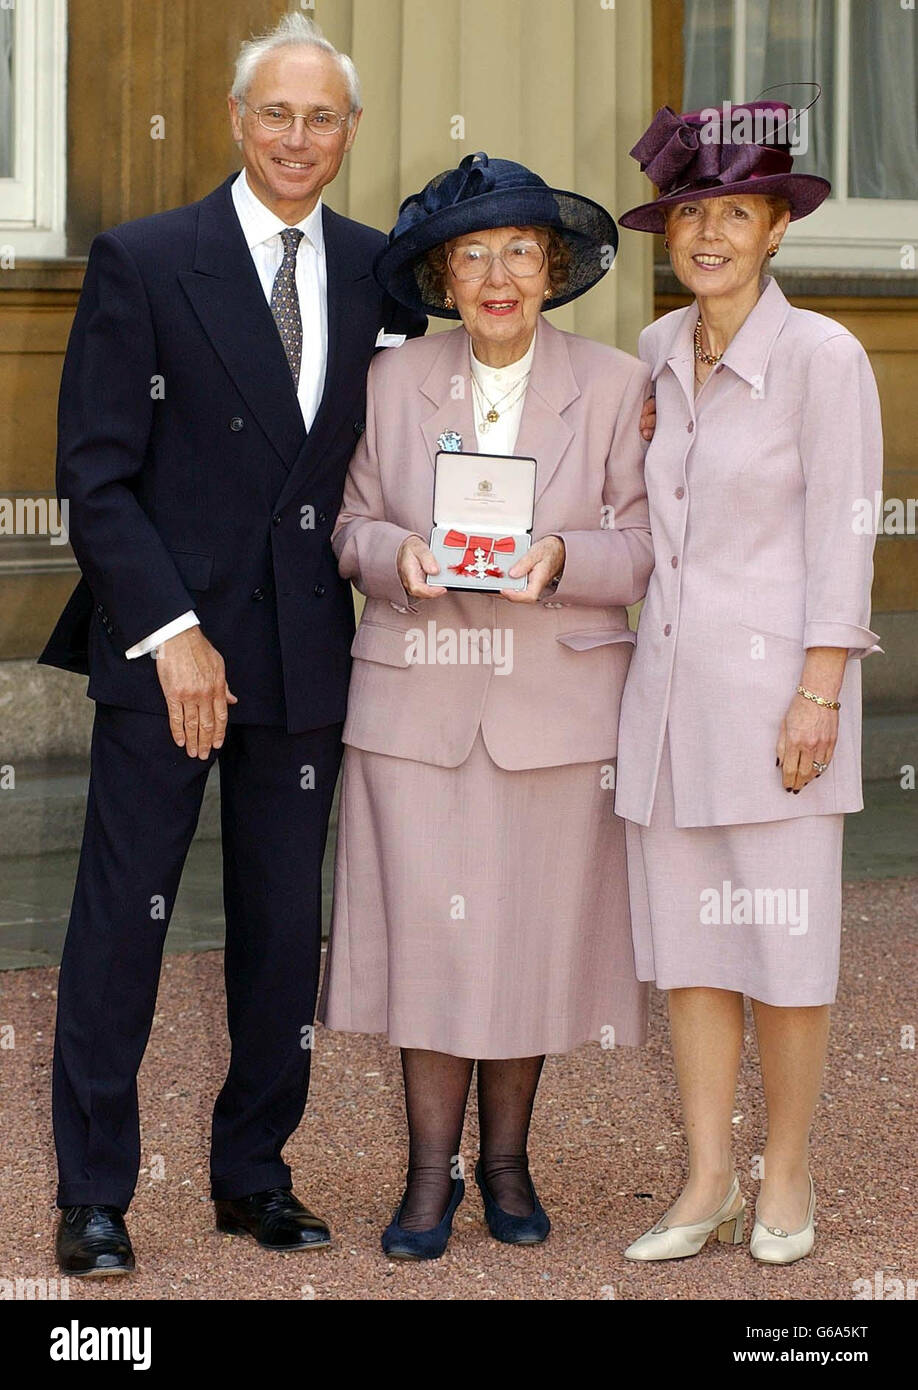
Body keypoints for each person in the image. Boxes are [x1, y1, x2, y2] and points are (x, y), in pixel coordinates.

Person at [38, 13, 425, 1277]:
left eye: (323, 117)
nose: (298, 137)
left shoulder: (383, 274)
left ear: (350, 132)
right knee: (120, 927)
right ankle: (94, 1192)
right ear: (234, 119)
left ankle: (253, 1173)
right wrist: (172, 634)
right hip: (169, 656)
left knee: (278, 929)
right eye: (277, 113)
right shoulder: (147, 260)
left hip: (310, 655)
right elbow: (97, 477)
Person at [317, 151, 654, 1260]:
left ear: (552, 268)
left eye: (520, 251)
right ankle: (428, 1179)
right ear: (444, 278)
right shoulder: (388, 383)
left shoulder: (612, 385)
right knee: (430, 943)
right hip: (415, 711)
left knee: (527, 945)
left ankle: (507, 1165)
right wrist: (395, 557)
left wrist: (562, 554)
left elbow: (648, 546)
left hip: (556, 716)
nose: (499, 274)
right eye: (474, 255)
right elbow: (350, 526)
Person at [614, 99, 882, 1264]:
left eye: (735, 211)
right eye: (689, 213)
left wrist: (820, 690)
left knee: (783, 950)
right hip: (668, 708)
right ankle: (708, 1178)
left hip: (782, 708)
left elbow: (846, 534)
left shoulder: (826, 356)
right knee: (691, 949)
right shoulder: (656, 352)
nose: (708, 233)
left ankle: (789, 1175)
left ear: (777, 227)